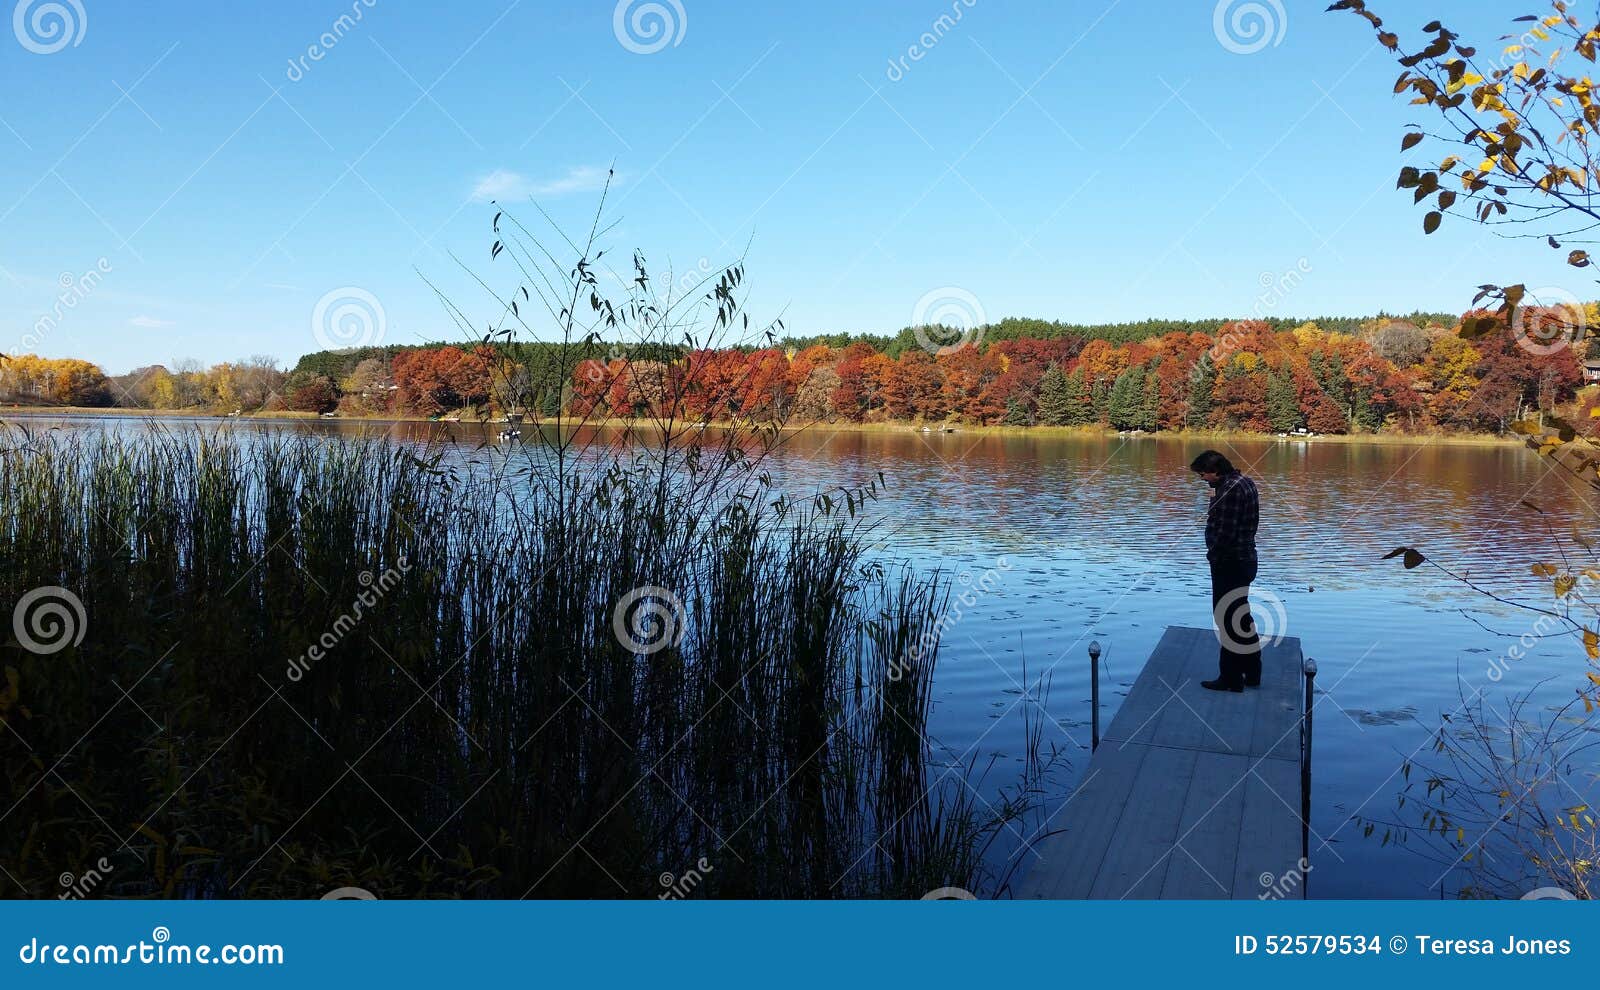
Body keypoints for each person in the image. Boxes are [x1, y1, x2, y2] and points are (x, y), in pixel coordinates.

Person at [1190, 450, 1260, 692]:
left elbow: (1225, 532)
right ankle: (1252, 672)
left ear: (1216, 471)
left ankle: (1230, 678)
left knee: (1226, 617)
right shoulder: (1245, 482)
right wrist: (1213, 494)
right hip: (1247, 558)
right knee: (1241, 615)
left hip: (1230, 561)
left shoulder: (1228, 490)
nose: (1202, 479)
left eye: (1203, 474)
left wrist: (1213, 554)